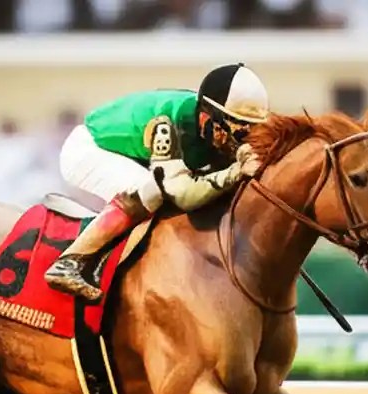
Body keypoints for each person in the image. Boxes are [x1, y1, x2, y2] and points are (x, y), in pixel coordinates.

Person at [45, 63, 269, 301]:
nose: (239, 141)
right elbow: (182, 194)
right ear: (207, 116)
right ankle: (69, 262)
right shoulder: (170, 125)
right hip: (90, 148)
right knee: (153, 191)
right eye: (236, 130)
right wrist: (234, 172)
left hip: (135, 155)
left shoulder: (208, 127)